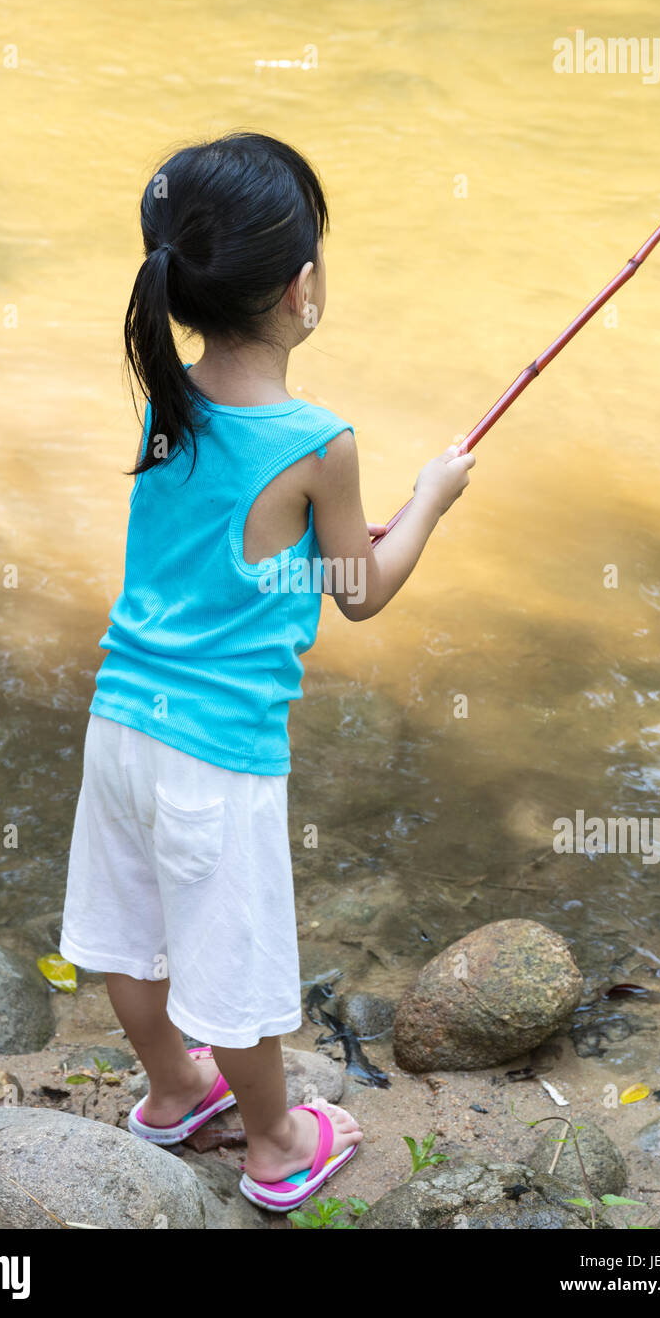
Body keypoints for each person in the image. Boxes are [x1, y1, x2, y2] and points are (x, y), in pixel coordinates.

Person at [59, 131, 476, 1213]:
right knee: (235, 966)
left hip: (120, 725)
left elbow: (230, 549)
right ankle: (277, 1141)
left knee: (127, 932)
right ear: (303, 289)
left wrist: (311, 540)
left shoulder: (168, 398)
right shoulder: (318, 442)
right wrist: (430, 496)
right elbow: (359, 586)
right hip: (217, 753)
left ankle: (169, 1091)